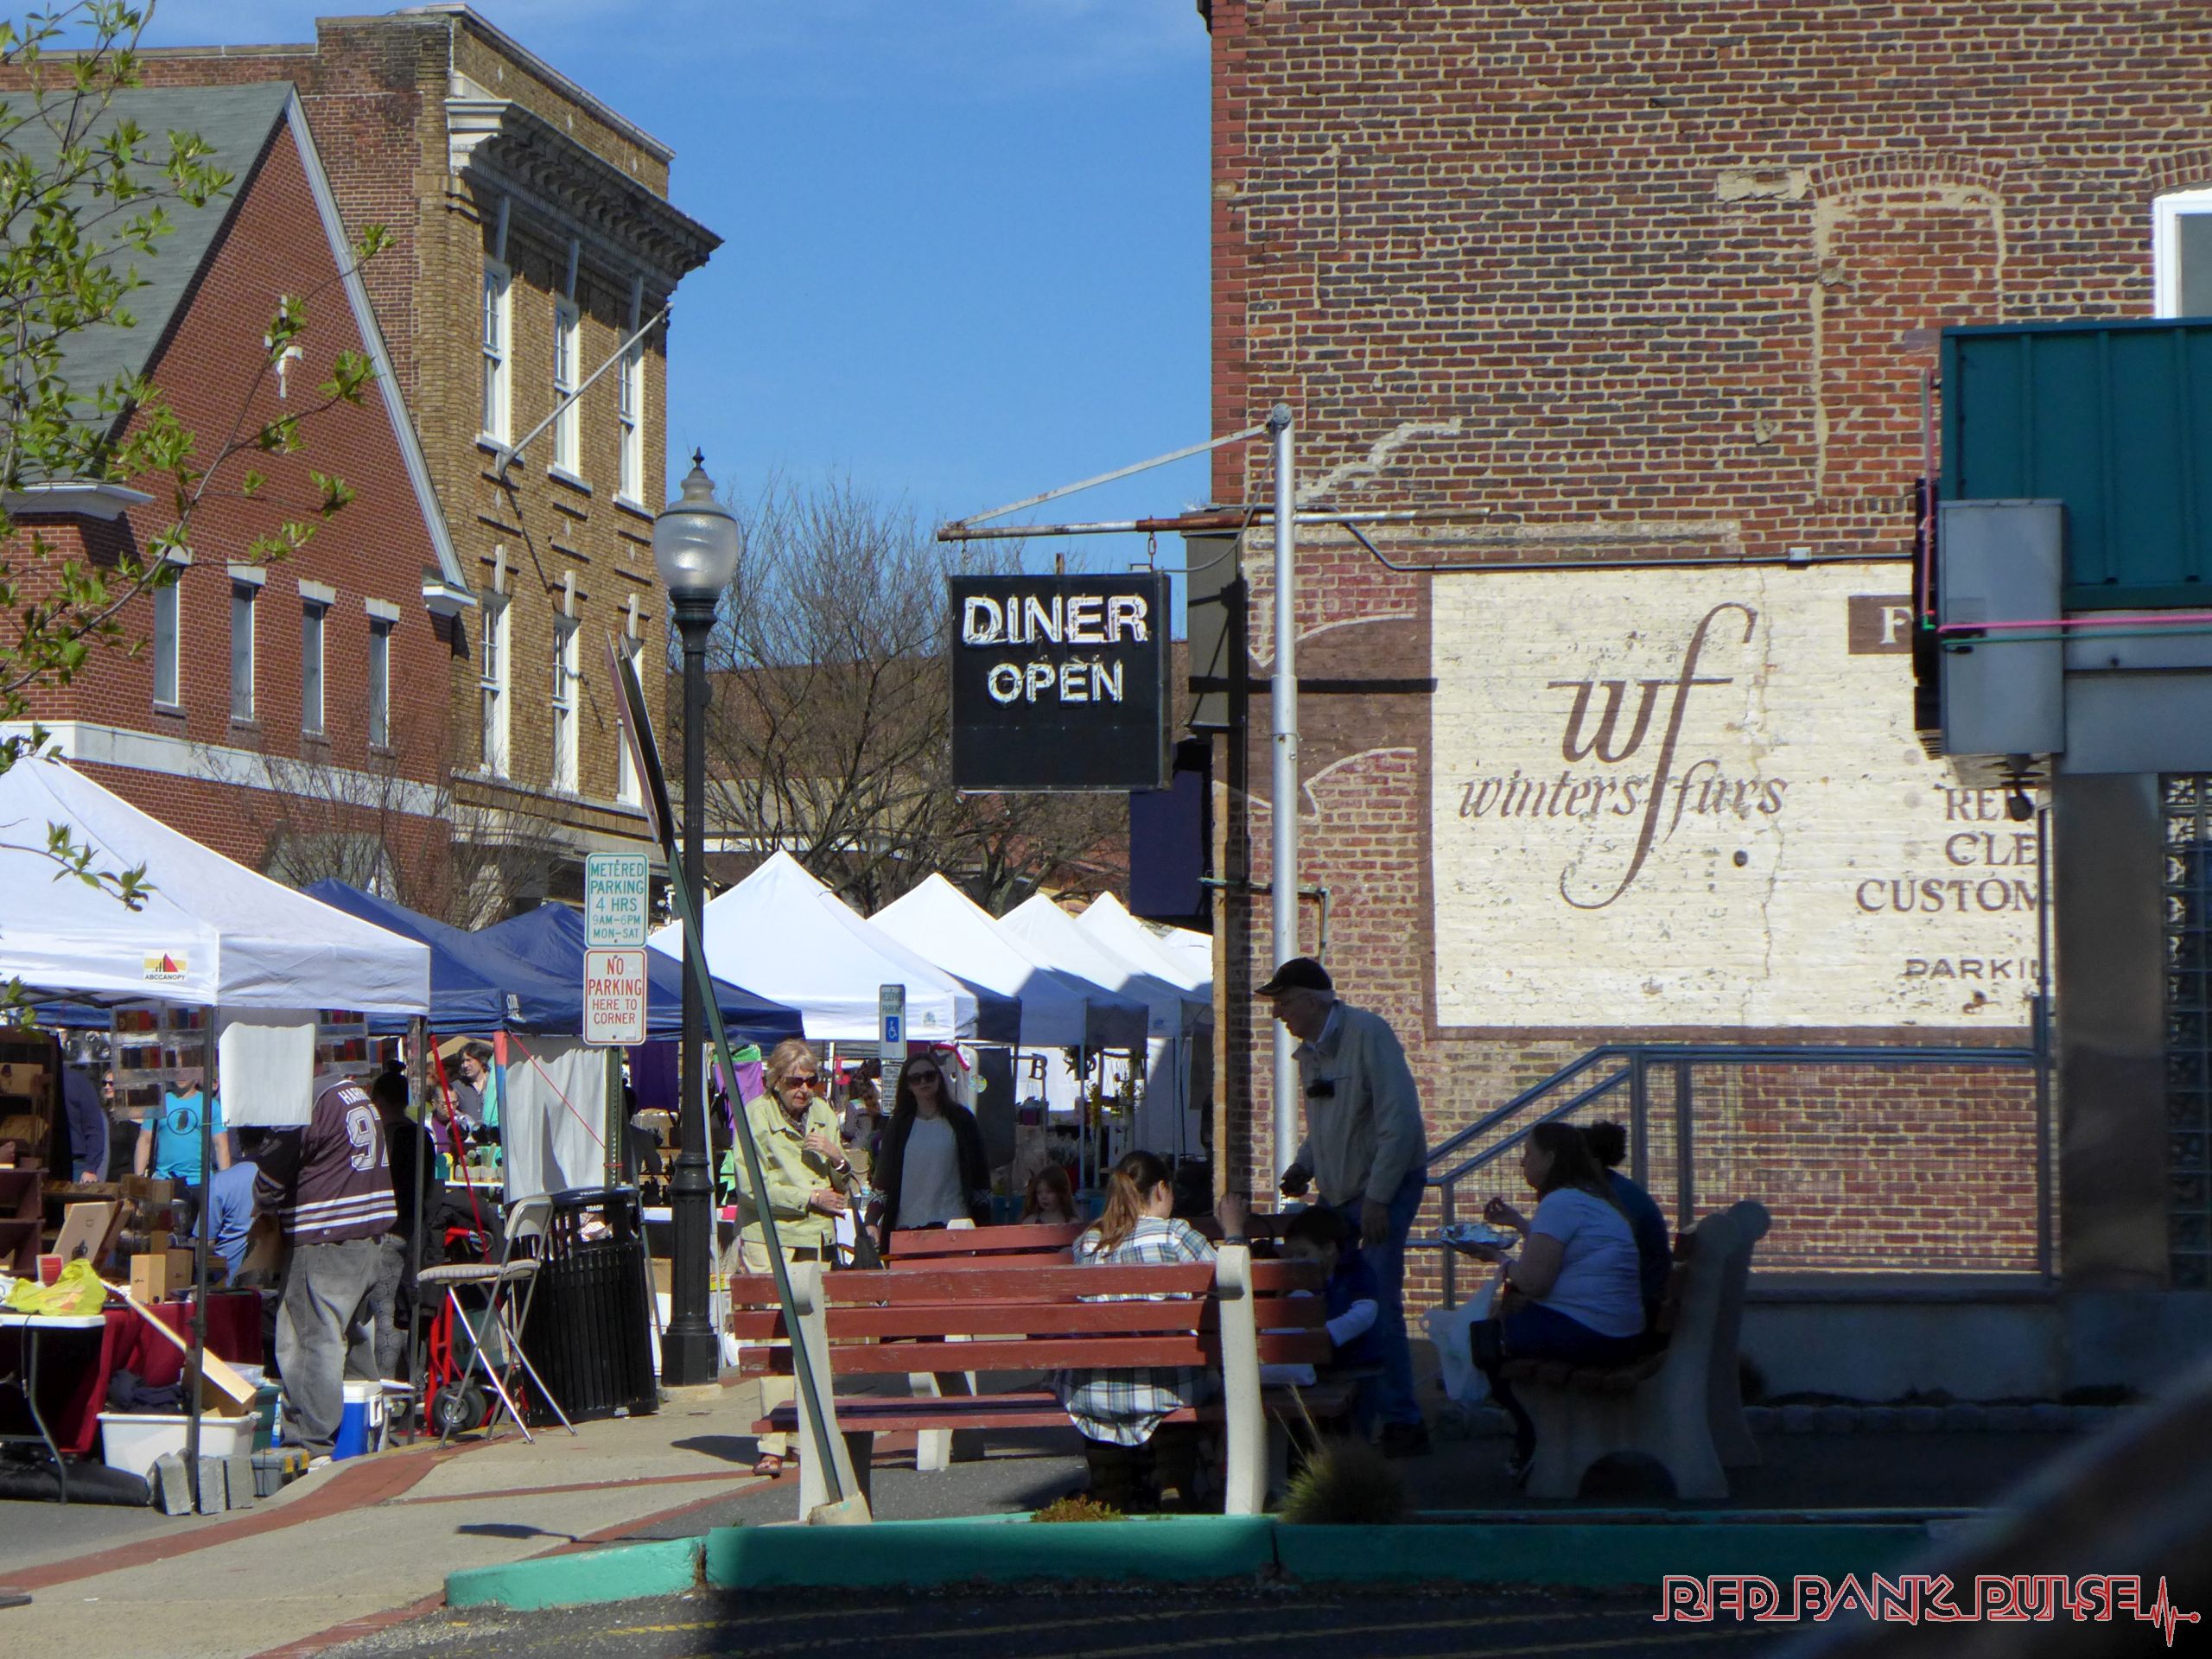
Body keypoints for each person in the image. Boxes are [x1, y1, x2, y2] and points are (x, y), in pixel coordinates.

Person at [1261, 956, 1432, 1456]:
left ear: (1315, 1001)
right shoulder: (1311, 1052)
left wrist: (1379, 1197)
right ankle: (1362, 1416)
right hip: (1343, 1193)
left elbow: (1398, 1121)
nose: (1279, 1014)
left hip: (1383, 1188)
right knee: (1346, 1299)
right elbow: (1325, 1123)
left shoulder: (1368, 1034)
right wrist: (1303, 1166)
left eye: (1285, 1001)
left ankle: (1402, 1420)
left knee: (1377, 1301)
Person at [1052, 1150, 1249, 1510]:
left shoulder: (1087, 1243)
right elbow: (1235, 1286)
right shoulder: (1175, 1236)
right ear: (1161, 1190)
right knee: (1186, 1377)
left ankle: (1110, 1487)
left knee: (1114, 1380)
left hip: (1091, 1393)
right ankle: (1173, 1475)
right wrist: (1234, 1233)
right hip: (1163, 1389)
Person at [1454, 1121, 1646, 1481]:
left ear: (1551, 1157)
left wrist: (1496, 1260)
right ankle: (1537, 1434)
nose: (1522, 1163)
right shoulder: (1588, 1198)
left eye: (1528, 1154)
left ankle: (1533, 1434)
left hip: (1595, 1333)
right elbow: (1561, 1254)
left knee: (1483, 1340)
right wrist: (1519, 1224)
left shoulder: (1560, 1202)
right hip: (1620, 1329)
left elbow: (1536, 1282)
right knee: (1501, 1319)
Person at [254, 1070, 397, 1465]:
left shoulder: (307, 1102)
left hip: (324, 1236)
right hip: (368, 1235)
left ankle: (310, 1442)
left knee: (309, 1340)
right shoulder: (354, 1092)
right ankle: (364, 1434)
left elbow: (268, 1184)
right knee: (353, 1336)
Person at [725, 1038, 853, 1479]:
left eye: (811, 1081)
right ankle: (773, 1443)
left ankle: (807, 1435)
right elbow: (750, 1189)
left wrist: (839, 1160)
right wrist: (810, 1196)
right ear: (774, 1082)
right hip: (769, 1237)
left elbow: (847, 1183)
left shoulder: (822, 1114)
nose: (804, 1089)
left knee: (813, 1338)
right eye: (795, 1082)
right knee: (775, 1342)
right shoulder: (754, 1117)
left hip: (815, 1236)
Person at [1280, 1204, 1386, 1436]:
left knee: (1354, 1436)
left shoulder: (1356, 1272)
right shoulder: (1305, 1279)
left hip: (1359, 1368)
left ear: (1328, 1248)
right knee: (1316, 1434)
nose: (1297, 1261)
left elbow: (1365, 1311)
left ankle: (1352, 1469)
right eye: (1292, 1255)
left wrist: (1327, 1334)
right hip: (1320, 1371)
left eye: (1303, 1254)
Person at [867, 1053, 990, 1250]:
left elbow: (980, 1177)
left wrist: (984, 1225)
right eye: (915, 1078)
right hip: (907, 1228)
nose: (923, 1081)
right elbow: (883, 1180)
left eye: (929, 1075)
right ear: (907, 1085)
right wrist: (871, 1221)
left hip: (954, 1225)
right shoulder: (898, 1124)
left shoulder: (962, 1120)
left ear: (939, 1079)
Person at [363, 1071, 428, 1381]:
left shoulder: (387, 1137)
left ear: (380, 1101)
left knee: (385, 1313)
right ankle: (411, 1379)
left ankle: (387, 1385)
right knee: (406, 1310)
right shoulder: (422, 1135)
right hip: (417, 1231)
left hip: (390, 1232)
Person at [1580, 1120, 1673, 1330]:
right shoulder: (1615, 1189)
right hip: (1641, 1302)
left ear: (1589, 1162)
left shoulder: (1613, 1201)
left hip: (1633, 1311)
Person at [135, 1070, 232, 1185]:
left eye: (186, 1071)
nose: (181, 1075)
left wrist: (226, 1183)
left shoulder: (211, 1104)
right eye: (177, 1071)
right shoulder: (159, 1103)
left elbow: (221, 1145)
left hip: (200, 1182)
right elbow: (145, 1141)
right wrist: (138, 1180)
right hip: (163, 1180)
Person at [196, 1135, 264, 1282]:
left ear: (240, 1143)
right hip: (271, 1275)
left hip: (227, 1279)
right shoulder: (281, 1178)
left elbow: (205, 1243)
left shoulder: (221, 1181)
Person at [60, 1061, 109, 1182]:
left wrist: (90, 1169)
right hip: (36, 1162)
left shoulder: (77, 1081)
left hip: (75, 1165)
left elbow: (94, 1128)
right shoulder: (28, 1078)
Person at [1021, 1162, 1079, 1226]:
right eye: (1039, 1192)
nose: (1043, 1197)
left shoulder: (1073, 1223)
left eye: (1049, 1191)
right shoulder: (1030, 1222)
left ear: (1061, 1192)